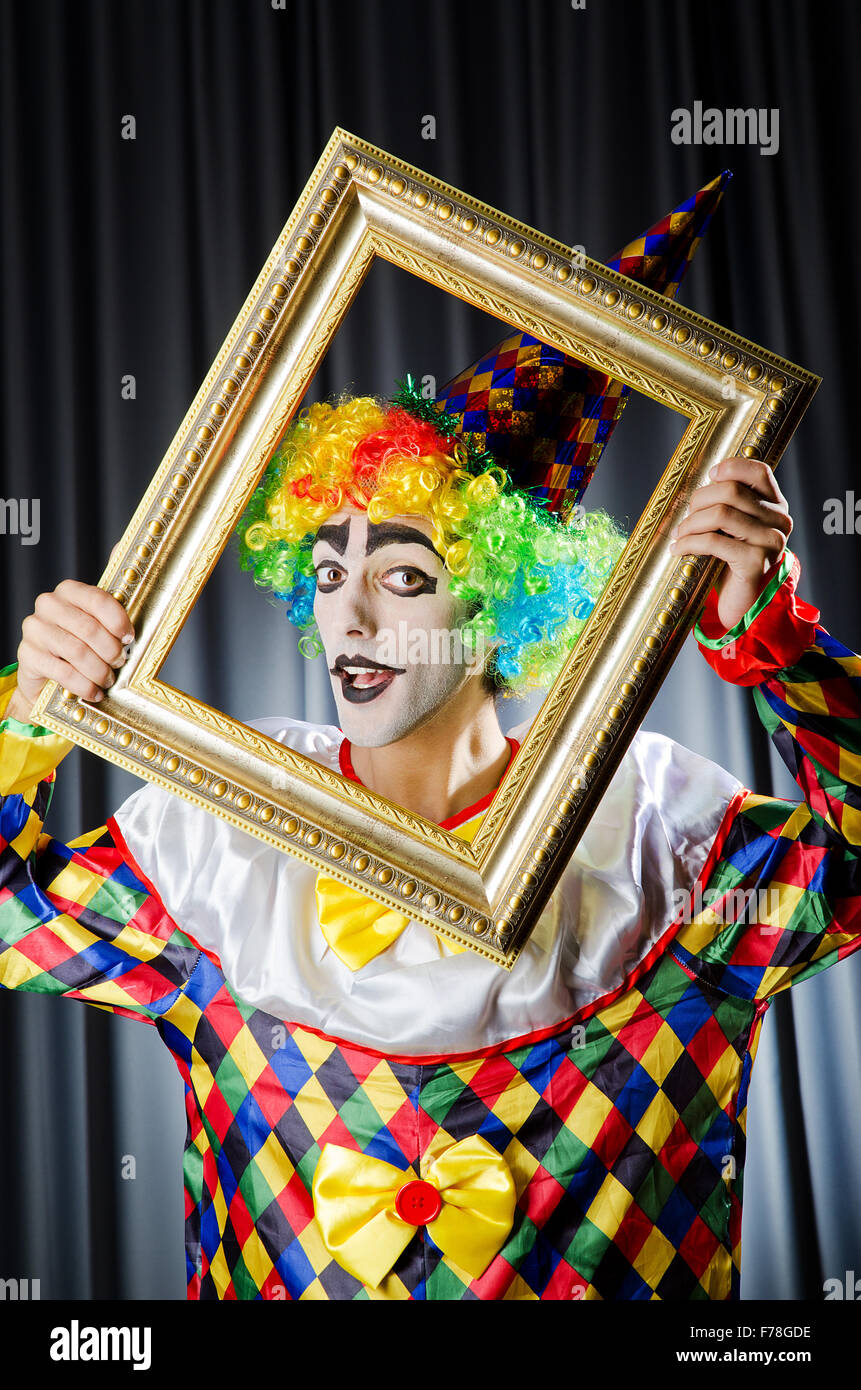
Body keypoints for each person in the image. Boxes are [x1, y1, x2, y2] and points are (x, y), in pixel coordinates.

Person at [5, 175, 857, 1301]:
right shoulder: (212, 845)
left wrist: (779, 646)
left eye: (405, 575)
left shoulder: (668, 846)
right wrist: (33, 712)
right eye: (326, 571)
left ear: (503, 606)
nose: (346, 617)